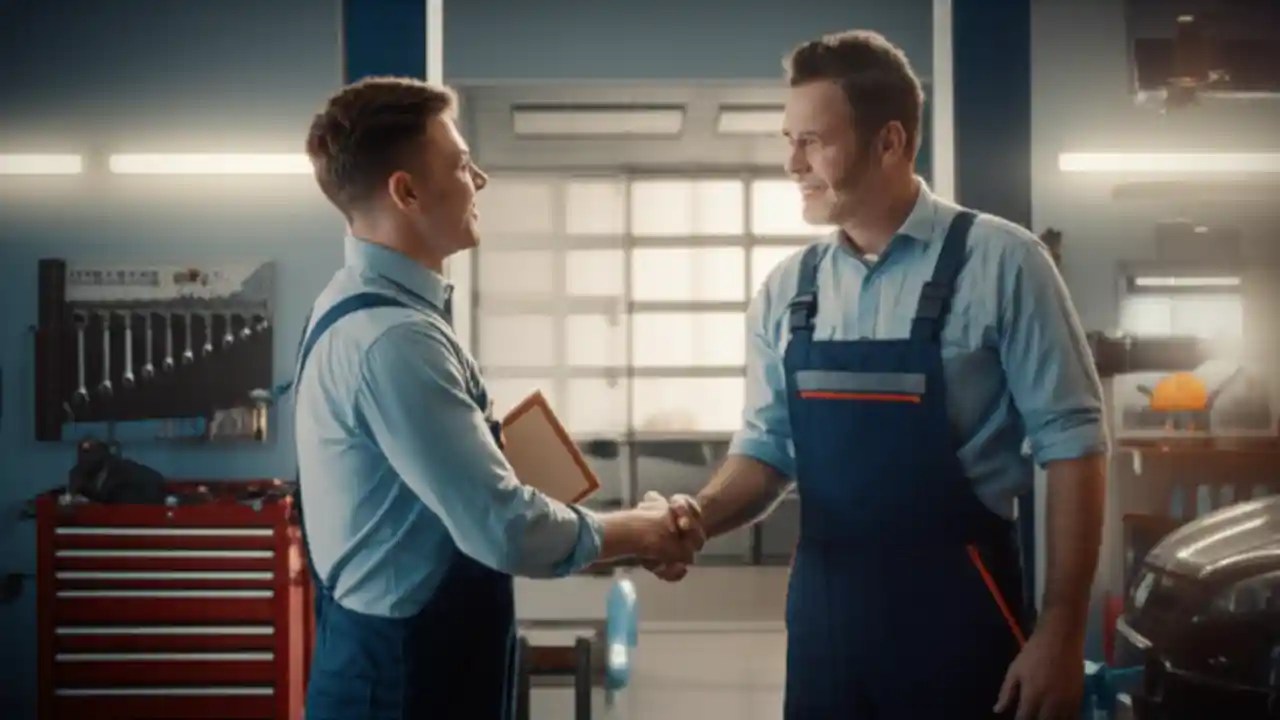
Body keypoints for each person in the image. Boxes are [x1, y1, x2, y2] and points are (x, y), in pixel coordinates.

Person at [648, 30, 1107, 720]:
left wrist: (1062, 633)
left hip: (963, 617)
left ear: (889, 142)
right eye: (789, 141)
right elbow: (767, 449)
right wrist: (694, 518)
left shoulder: (1004, 263)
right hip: (827, 625)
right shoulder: (787, 290)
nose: (792, 164)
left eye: (812, 142)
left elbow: (1073, 447)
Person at [295, 77, 703, 720]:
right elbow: (504, 530)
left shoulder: (356, 306)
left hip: (406, 660)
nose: (479, 180)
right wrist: (642, 532)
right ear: (406, 192)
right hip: (402, 685)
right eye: (461, 165)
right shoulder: (395, 340)